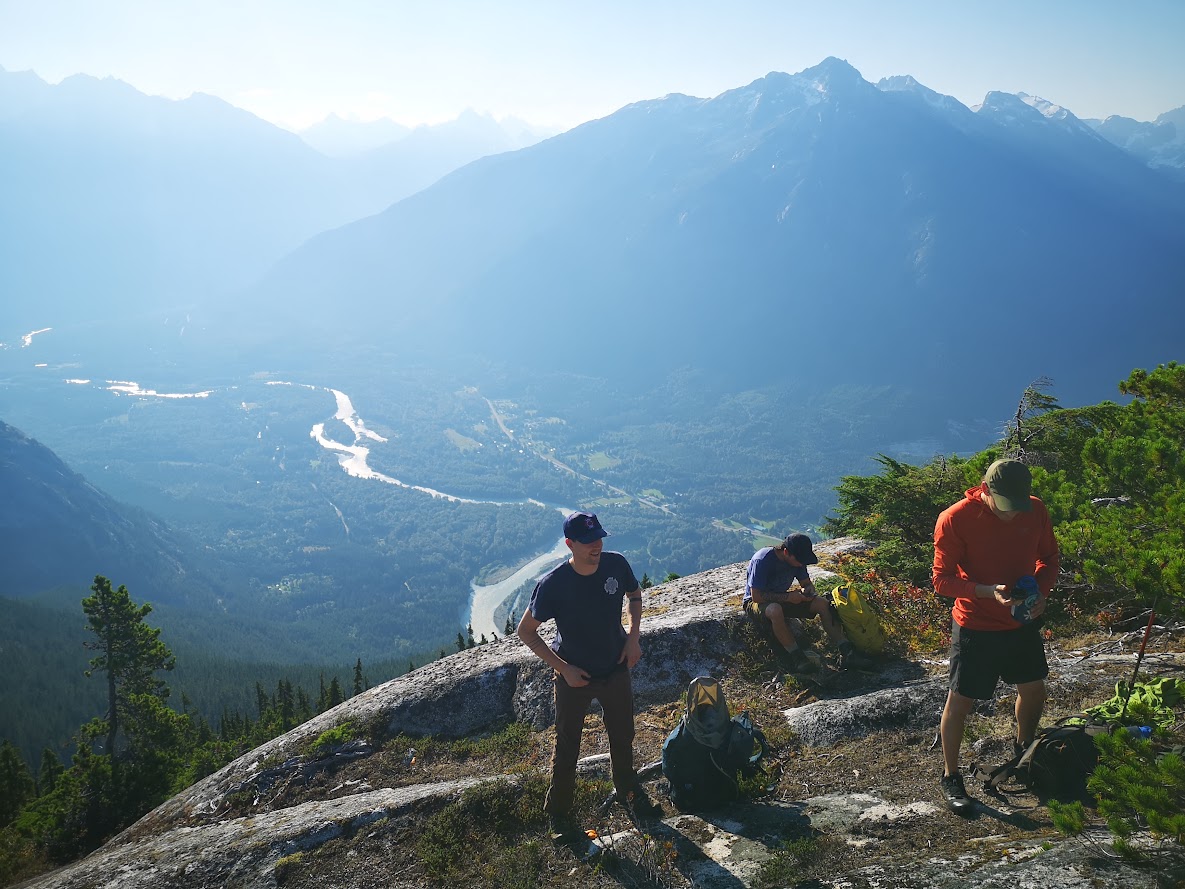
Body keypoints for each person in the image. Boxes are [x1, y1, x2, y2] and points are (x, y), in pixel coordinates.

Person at [517, 511, 663, 842]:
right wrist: (563, 668)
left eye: (598, 537)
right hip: (574, 677)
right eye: (587, 541)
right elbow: (526, 631)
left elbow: (635, 595)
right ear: (570, 544)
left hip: (615, 667)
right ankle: (559, 816)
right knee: (567, 745)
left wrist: (633, 637)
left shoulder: (616, 564)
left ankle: (629, 793)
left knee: (623, 733)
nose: (596, 545)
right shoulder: (553, 584)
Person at [933, 458, 1060, 816]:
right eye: (1005, 506)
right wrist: (988, 592)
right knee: (960, 701)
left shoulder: (1034, 509)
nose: (1012, 513)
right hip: (975, 625)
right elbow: (942, 580)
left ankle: (1024, 751)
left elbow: (1049, 558)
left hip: (1021, 622)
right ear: (985, 490)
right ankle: (951, 776)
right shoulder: (955, 518)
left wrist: (1042, 593)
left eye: (1018, 505)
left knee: (1033, 690)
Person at [743, 533, 874, 673]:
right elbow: (756, 596)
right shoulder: (763, 559)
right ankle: (797, 657)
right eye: (799, 561)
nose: (801, 564)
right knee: (775, 610)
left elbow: (806, 583)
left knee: (822, 604)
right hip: (756, 603)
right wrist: (788, 597)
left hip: (783, 598)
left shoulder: (797, 559)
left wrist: (808, 591)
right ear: (786, 552)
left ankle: (847, 651)